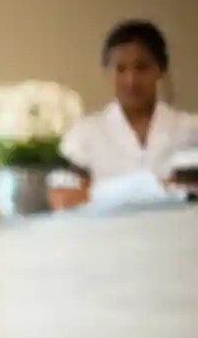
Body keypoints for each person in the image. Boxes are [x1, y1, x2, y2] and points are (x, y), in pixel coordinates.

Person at [59, 20, 198, 203]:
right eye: (120, 69)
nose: (131, 81)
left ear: (161, 69)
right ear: (108, 72)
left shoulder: (190, 129)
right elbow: (63, 198)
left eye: (142, 68)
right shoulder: (83, 134)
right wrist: (159, 186)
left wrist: (96, 191)